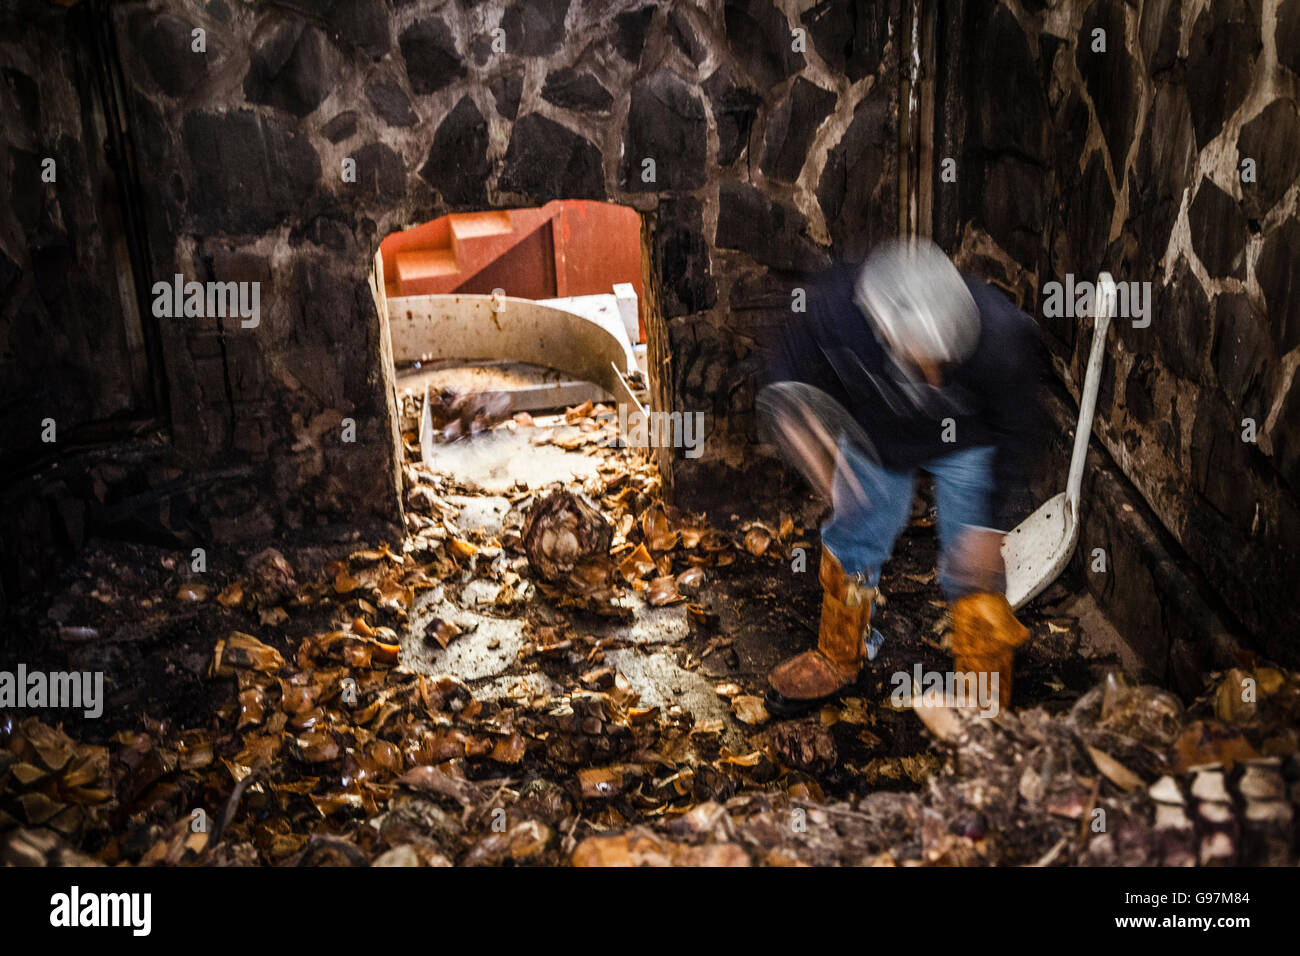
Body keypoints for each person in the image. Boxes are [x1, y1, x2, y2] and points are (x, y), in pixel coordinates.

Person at [759, 237, 1046, 713]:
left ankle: (983, 703)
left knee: (974, 568)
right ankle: (839, 655)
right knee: (853, 537)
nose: (934, 379)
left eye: (945, 364)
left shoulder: (1002, 335)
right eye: (921, 361)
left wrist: (992, 524)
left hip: (967, 441)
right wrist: (798, 419)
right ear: (880, 327)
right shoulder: (837, 307)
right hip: (878, 436)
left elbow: (1019, 430)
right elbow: (785, 362)